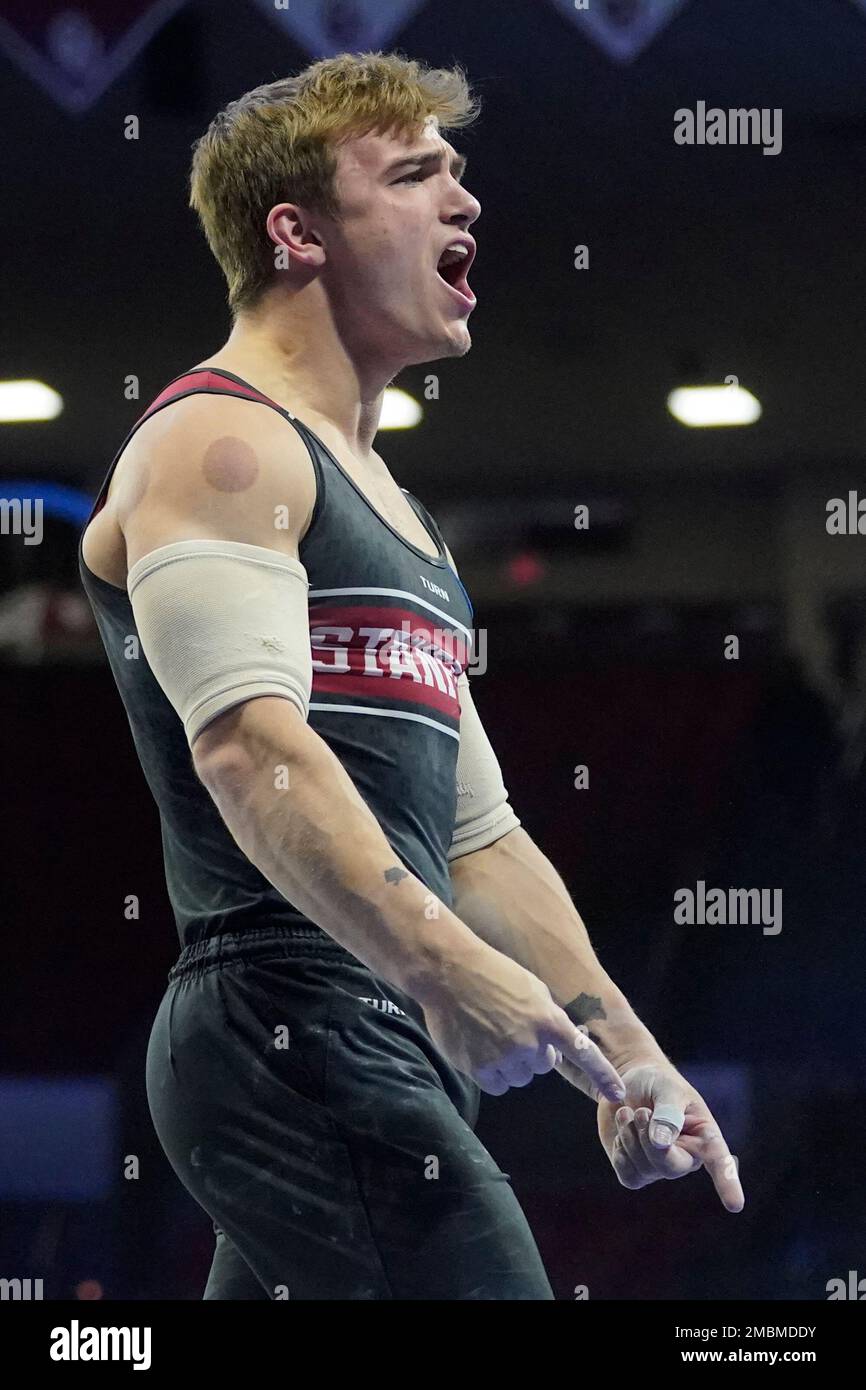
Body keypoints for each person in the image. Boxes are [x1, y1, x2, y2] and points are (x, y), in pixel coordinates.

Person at [79, 51, 743, 1301]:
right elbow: (245, 750)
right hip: (287, 1016)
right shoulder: (215, 440)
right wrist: (439, 965)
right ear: (297, 233)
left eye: (458, 172)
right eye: (414, 173)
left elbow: (475, 833)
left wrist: (626, 1054)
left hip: (373, 1025)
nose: (466, 201)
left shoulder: (400, 517)